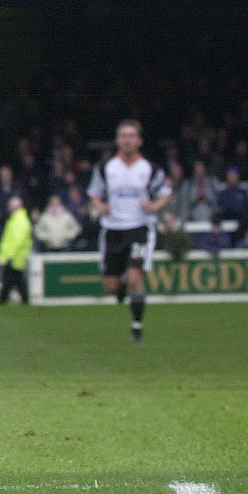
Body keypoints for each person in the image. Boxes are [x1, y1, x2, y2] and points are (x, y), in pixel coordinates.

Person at [86, 121, 171, 344]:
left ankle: (137, 329)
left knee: (136, 275)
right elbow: (94, 193)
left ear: (139, 140)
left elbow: (165, 193)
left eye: (132, 136)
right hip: (112, 229)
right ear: (117, 140)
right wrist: (99, 206)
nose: (127, 140)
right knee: (111, 287)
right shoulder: (106, 168)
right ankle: (121, 281)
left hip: (139, 228)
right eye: (123, 136)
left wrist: (155, 207)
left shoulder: (149, 169)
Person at [0, 196, 31, 304]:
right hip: (15, 257)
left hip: (15, 257)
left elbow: (17, 241)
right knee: (17, 281)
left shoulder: (19, 221)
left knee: (9, 281)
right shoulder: (17, 219)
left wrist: (10, 255)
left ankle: (2, 301)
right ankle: (24, 301)